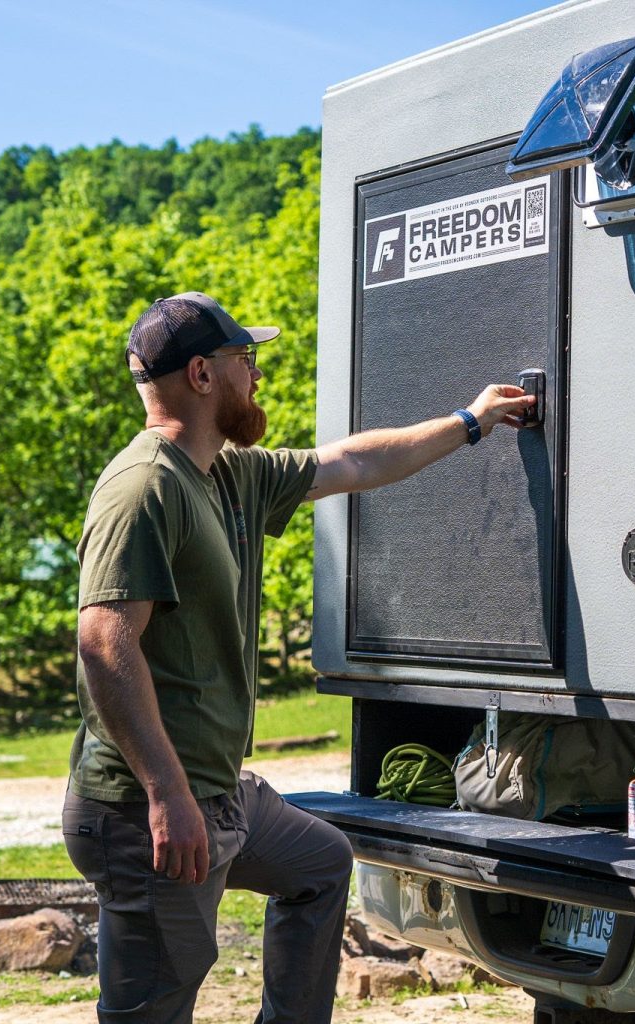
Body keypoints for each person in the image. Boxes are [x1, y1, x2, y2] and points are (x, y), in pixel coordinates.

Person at [62, 291, 533, 1023]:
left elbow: (354, 460)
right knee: (153, 1007)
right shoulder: (144, 488)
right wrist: (166, 794)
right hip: (142, 806)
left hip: (216, 791)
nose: (257, 374)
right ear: (202, 374)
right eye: (245, 358)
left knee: (319, 864)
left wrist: (470, 421)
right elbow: (103, 645)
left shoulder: (227, 473)